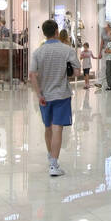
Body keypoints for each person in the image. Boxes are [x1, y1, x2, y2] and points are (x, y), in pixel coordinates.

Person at [30, 19, 79, 177]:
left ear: (44, 33)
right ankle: (54, 164)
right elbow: (77, 72)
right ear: (57, 31)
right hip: (62, 95)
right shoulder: (67, 50)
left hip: (45, 95)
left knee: (48, 127)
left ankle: (51, 155)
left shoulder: (37, 52)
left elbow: (32, 75)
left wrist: (39, 94)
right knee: (58, 128)